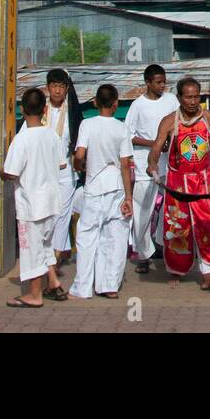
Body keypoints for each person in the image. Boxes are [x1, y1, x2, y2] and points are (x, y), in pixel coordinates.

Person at [148, 77, 210, 290]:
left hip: (203, 182)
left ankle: (206, 273)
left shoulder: (207, 117)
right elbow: (155, 149)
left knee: (206, 224)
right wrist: (152, 165)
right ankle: (176, 270)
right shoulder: (169, 121)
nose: (192, 101)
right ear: (179, 98)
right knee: (177, 227)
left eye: (196, 96)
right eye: (188, 97)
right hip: (177, 182)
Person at [2, 88, 67, 308]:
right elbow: (62, 163)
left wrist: (2, 173)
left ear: (22, 109)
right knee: (45, 245)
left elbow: (11, 172)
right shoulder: (51, 135)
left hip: (31, 203)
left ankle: (34, 294)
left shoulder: (21, 140)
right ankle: (54, 281)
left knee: (31, 249)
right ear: (44, 109)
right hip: (51, 200)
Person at [69, 84, 134, 299]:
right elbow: (126, 164)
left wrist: (80, 166)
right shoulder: (121, 128)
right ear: (116, 104)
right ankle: (110, 286)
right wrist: (129, 197)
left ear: (96, 102)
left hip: (95, 185)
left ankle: (83, 288)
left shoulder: (87, 124)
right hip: (116, 183)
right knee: (115, 237)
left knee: (87, 236)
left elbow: (79, 154)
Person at [125, 64, 179, 274]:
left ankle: (170, 253)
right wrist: (155, 143)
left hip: (169, 164)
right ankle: (143, 255)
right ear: (147, 82)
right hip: (144, 164)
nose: (162, 85)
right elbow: (128, 135)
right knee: (142, 212)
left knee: (172, 210)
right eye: (158, 82)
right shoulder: (137, 105)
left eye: (164, 81)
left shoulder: (172, 100)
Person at [46, 68, 83, 267]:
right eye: (54, 86)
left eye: (61, 87)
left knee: (62, 214)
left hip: (66, 172)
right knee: (49, 215)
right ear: (47, 88)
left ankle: (56, 257)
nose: (57, 91)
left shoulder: (72, 114)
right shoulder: (41, 111)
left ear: (66, 89)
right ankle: (56, 252)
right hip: (44, 172)